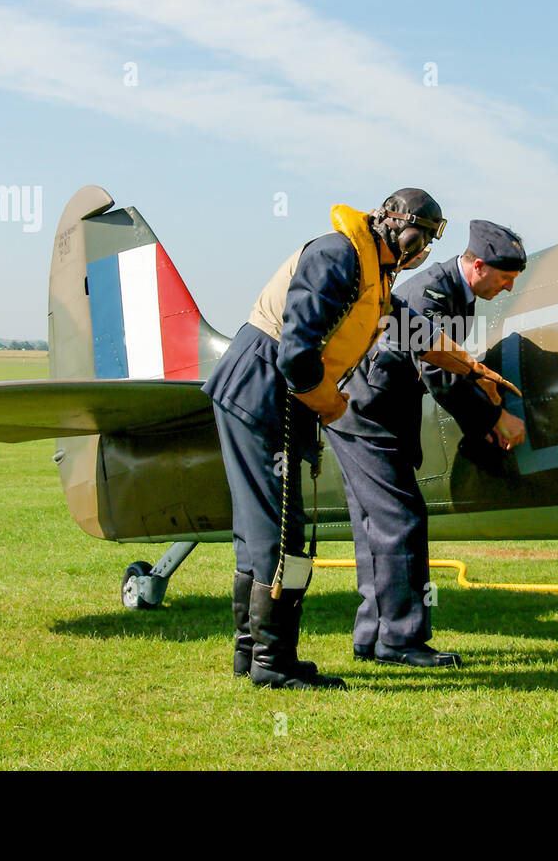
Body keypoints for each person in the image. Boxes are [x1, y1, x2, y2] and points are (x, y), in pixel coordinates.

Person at [202, 190, 519, 690]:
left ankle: (253, 654)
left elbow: (407, 324)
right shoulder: (337, 256)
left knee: (261, 529)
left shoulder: (371, 272)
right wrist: (328, 403)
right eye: (423, 235)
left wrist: (470, 365)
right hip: (263, 388)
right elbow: (296, 352)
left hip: (269, 392)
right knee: (280, 532)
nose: (424, 250)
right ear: (400, 227)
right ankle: (273, 663)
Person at [326, 219, 528, 668]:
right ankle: (401, 641)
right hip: (367, 415)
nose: (509, 288)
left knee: (375, 526)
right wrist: (495, 418)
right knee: (402, 520)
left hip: (365, 413)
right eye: (505, 278)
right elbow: (438, 369)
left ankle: (374, 636)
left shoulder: (453, 292)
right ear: (478, 266)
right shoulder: (433, 293)